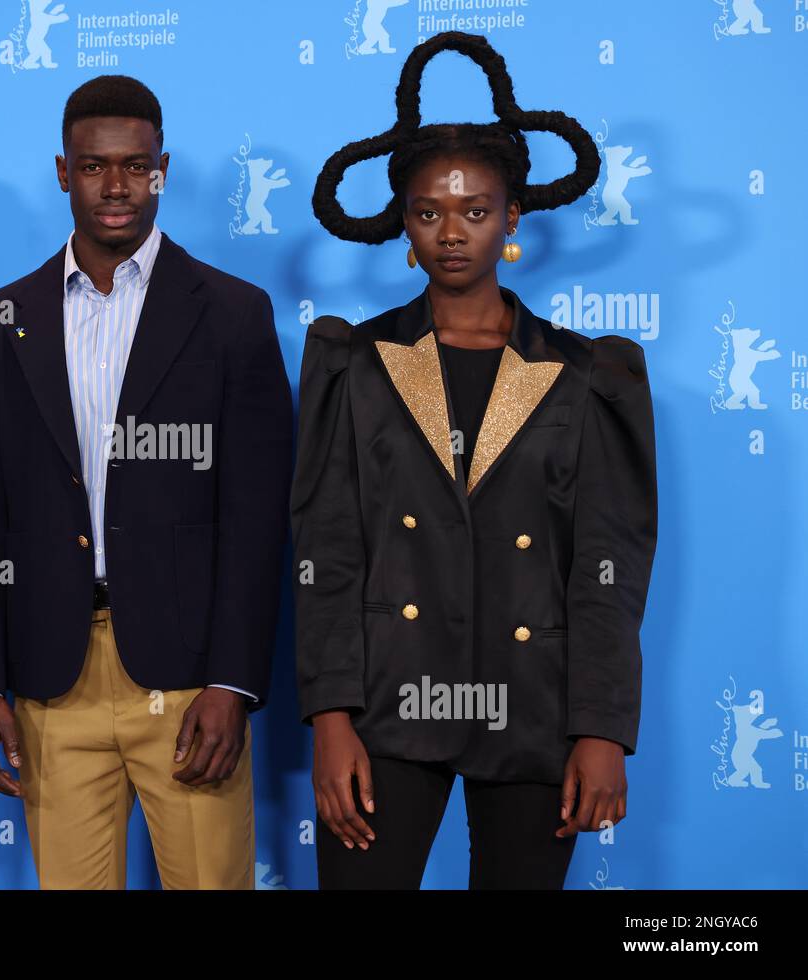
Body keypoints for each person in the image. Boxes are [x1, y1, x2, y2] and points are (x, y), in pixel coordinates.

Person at [294, 32, 658, 889]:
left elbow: (608, 561)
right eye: (428, 213)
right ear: (403, 225)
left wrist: (602, 728)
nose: (451, 233)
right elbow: (328, 548)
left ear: (512, 219)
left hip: (536, 706)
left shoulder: (585, 374)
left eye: (475, 211)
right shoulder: (358, 363)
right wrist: (330, 717)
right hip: (389, 708)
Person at [0, 75, 293, 889]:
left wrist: (233, 681)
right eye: (96, 167)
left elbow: (257, 515)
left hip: (189, 680)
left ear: (162, 168)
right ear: (64, 173)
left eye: (136, 166)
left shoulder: (235, 315)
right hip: (48, 684)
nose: (117, 187)